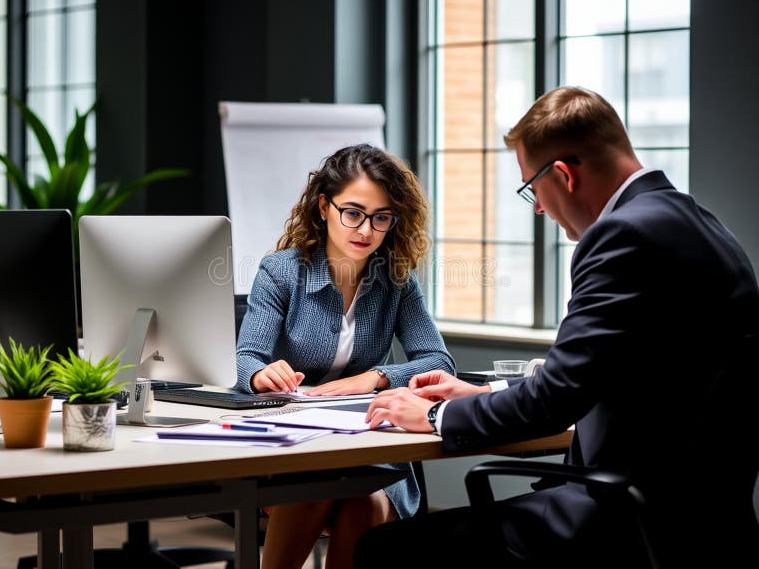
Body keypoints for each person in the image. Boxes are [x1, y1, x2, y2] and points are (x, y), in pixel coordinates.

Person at [358, 86, 759, 568]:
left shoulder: (622, 235)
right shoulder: (703, 225)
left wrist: (433, 418)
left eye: (531, 188)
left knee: (385, 550)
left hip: (618, 521)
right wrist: (480, 395)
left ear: (564, 175)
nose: (538, 209)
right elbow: (615, 374)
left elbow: (556, 400)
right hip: (704, 524)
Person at [235, 143, 455, 569]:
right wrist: (263, 374)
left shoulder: (397, 280)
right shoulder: (281, 272)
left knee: (367, 505)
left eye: (381, 217)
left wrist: (374, 378)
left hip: (369, 448)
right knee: (314, 486)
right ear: (323, 207)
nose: (366, 230)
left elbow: (438, 362)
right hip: (297, 449)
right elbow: (246, 358)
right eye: (352, 213)